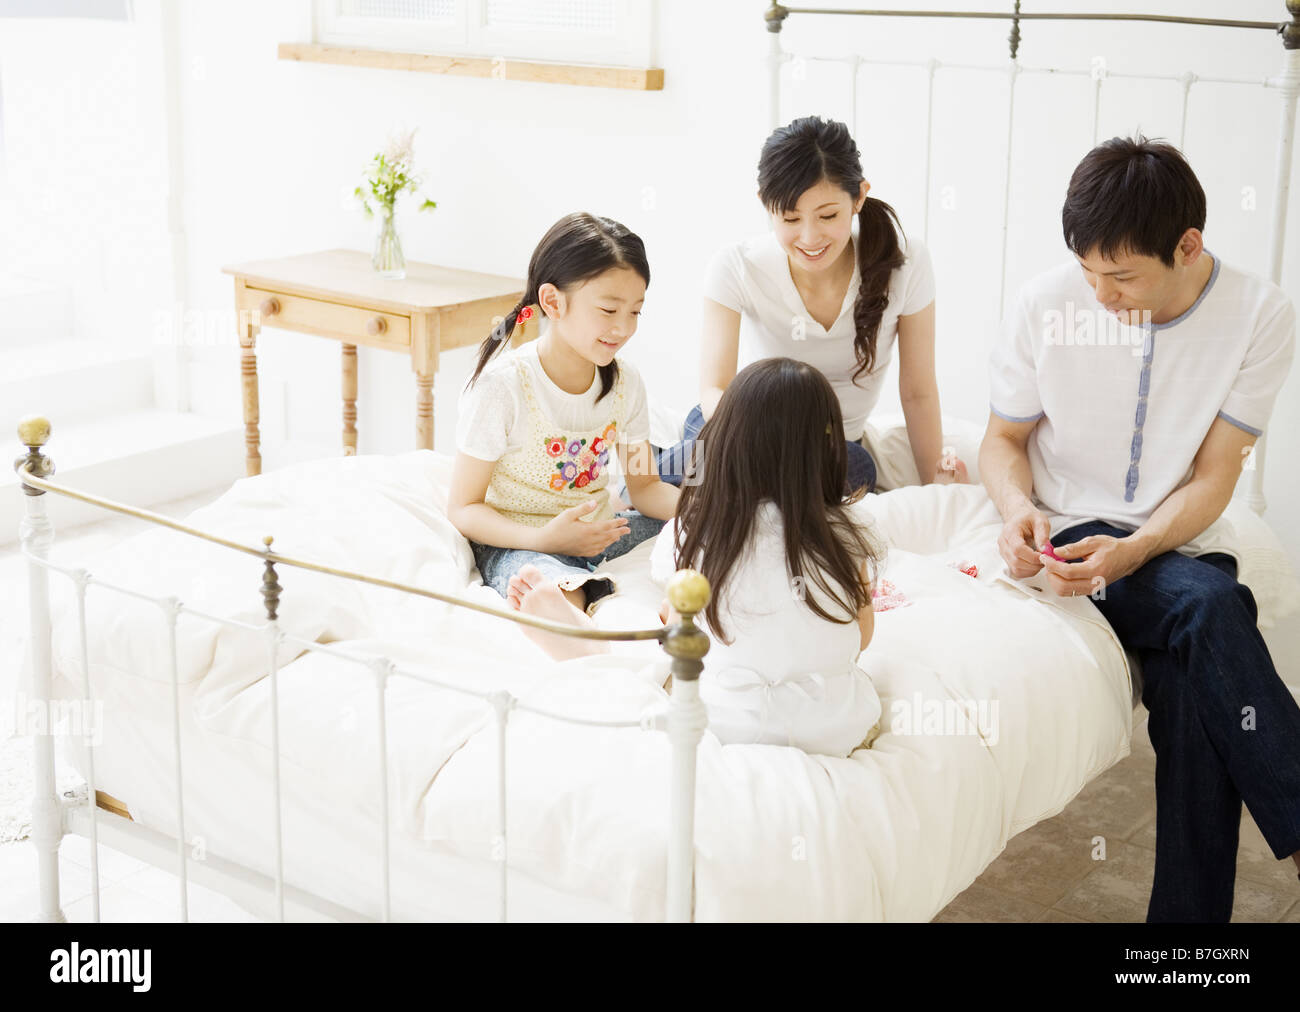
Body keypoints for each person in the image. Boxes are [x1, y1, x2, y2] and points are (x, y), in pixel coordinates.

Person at [979, 135, 1300, 921]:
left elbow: (1217, 474)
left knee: (1196, 667)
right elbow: (1001, 442)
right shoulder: (1045, 303)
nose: (1100, 296)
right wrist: (1021, 511)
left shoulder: (1261, 314)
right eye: (1089, 273)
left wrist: (1142, 547)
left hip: (1165, 537)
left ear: (1188, 247)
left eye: (1121, 277)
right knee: (1212, 605)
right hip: (1068, 530)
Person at [511, 357, 884, 757]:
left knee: (642, 634)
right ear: (827, 449)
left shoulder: (697, 526)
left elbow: (675, 623)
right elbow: (860, 636)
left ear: (727, 442)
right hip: (833, 728)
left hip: (716, 719)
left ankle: (592, 650)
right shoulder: (852, 533)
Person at [654, 115, 967, 495]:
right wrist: (760, 450)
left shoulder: (907, 261)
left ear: (860, 196)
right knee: (692, 470)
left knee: (856, 470)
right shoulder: (735, 266)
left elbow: (917, 391)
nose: (809, 237)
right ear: (765, 206)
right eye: (790, 218)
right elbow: (715, 390)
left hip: (830, 450)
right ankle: (644, 484)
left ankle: (717, 487)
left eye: (828, 216)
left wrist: (936, 487)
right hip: (742, 430)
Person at [447, 212, 680, 658]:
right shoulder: (501, 388)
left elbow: (646, 489)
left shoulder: (627, 383)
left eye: (635, 312)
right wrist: (547, 540)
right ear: (553, 302)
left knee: (692, 527)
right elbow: (463, 507)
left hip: (598, 533)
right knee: (534, 576)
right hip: (519, 539)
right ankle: (567, 617)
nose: (624, 328)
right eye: (609, 310)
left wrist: (711, 514)